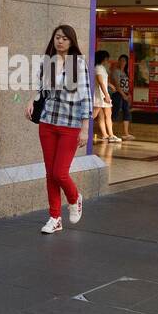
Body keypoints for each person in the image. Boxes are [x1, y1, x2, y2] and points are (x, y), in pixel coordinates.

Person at [28, 25, 92, 235]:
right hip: (48, 122)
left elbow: (85, 96)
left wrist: (85, 128)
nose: (60, 41)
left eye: (64, 38)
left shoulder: (77, 64)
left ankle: (74, 198)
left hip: (70, 125)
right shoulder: (48, 63)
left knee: (60, 173)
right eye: (57, 37)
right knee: (50, 174)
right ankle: (55, 217)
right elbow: (42, 90)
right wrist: (31, 100)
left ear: (71, 41)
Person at [93, 50, 120, 144]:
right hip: (100, 95)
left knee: (107, 114)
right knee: (95, 114)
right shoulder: (98, 68)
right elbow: (100, 82)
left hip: (102, 94)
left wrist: (110, 85)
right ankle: (81, 128)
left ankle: (109, 135)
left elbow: (103, 80)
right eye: (107, 58)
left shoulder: (101, 68)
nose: (108, 60)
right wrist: (106, 95)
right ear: (104, 58)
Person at [111, 54, 135, 140]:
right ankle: (110, 133)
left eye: (124, 61)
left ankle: (126, 133)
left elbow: (126, 85)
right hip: (118, 94)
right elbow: (117, 85)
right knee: (115, 112)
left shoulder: (125, 73)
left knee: (127, 112)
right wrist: (123, 94)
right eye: (121, 60)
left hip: (125, 94)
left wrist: (128, 94)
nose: (122, 62)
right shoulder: (116, 71)